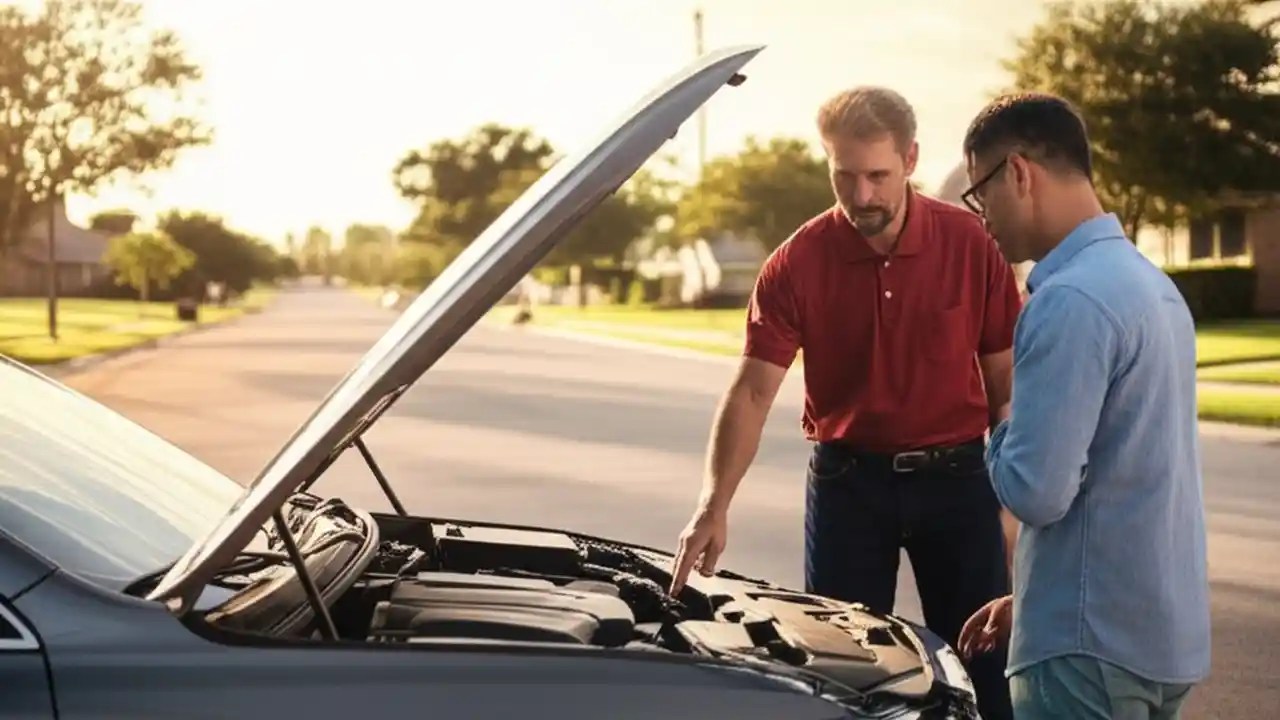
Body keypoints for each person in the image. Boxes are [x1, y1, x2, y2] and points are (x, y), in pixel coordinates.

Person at [667, 85, 1022, 720]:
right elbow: (752, 391)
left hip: (961, 484)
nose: (862, 196)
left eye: (878, 176)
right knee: (841, 679)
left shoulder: (972, 245)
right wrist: (711, 505)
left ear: (911, 160)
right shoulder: (796, 263)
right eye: (845, 176)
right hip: (848, 488)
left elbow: (1007, 386)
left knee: (986, 673)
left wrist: (1017, 505)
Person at [954, 92, 1211, 719]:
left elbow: (1035, 493)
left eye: (980, 194)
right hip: (1157, 636)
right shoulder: (1153, 287)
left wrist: (999, 426)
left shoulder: (1068, 300)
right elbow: (1132, 472)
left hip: (1084, 653)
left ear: (1017, 173)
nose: (982, 216)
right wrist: (1034, 596)